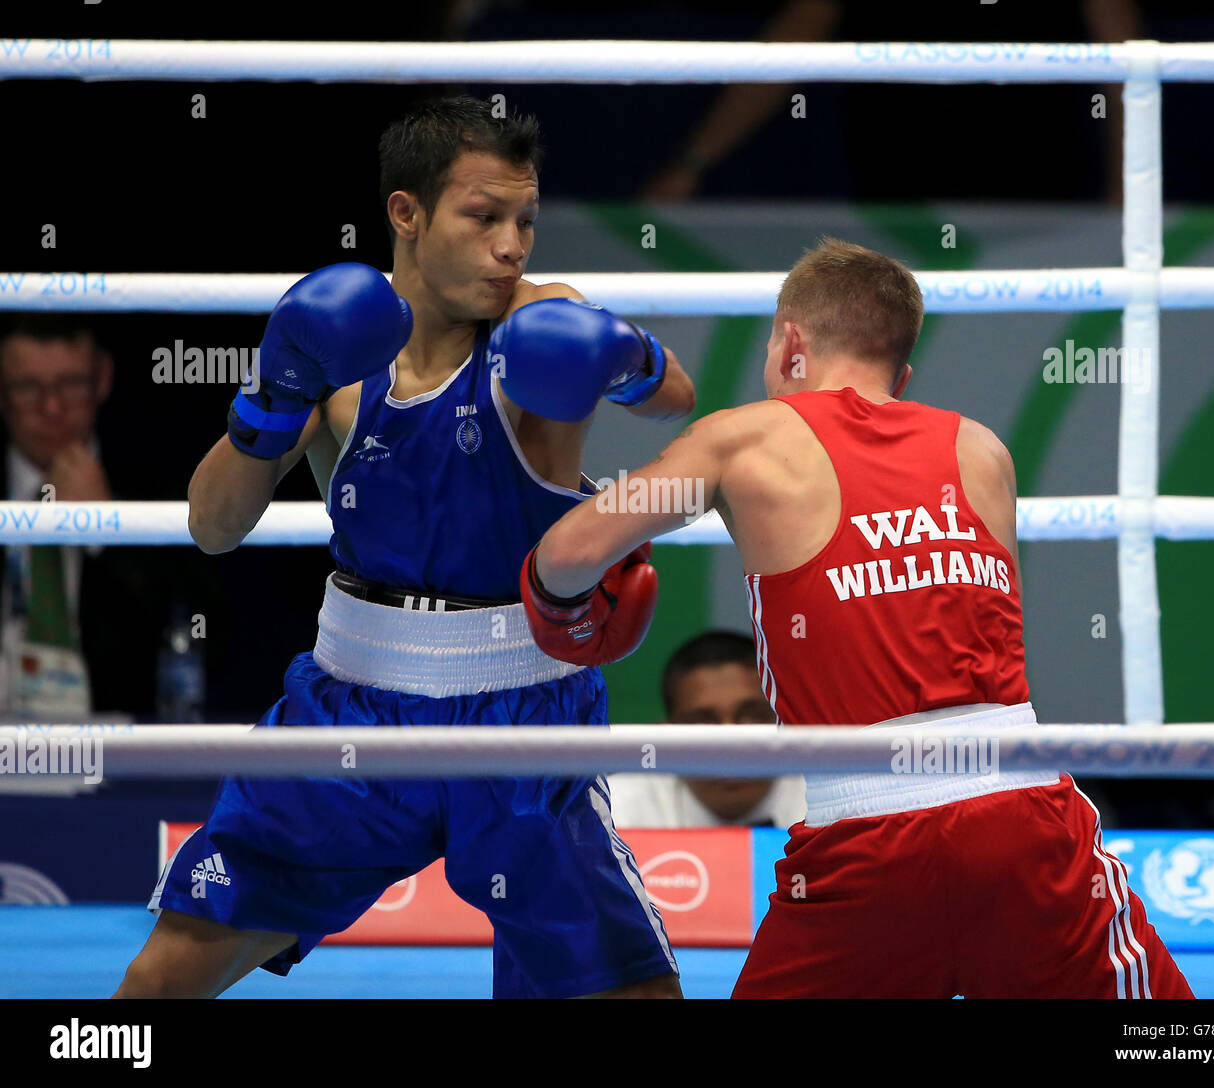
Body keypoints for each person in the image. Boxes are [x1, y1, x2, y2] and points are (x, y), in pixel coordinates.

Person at [114, 95, 694, 999]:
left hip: (520, 722)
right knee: (156, 986)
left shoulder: (541, 324)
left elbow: (677, 399)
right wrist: (271, 400)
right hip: (351, 713)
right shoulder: (333, 352)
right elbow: (212, 528)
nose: (512, 246)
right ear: (406, 214)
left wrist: (626, 358)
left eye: (526, 220)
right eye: (484, 216)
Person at [521, 237, 1193, 998]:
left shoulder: (742, 441)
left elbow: (564, 554)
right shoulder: (982, 450)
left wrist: (565, 608)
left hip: (863, 841)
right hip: (1026, 818)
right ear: (900, 375)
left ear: (791, 343)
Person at [0, 317, 169, 722]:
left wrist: (109, 531)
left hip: (117, 751)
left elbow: (203, 640)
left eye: (71, 384)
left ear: (102, 378)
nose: (52, 408)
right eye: (27, 387)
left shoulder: (157, 489)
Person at [608, 630, 804, 827]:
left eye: (752, 719)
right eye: (702, 724)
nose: (730, 749)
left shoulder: (829, 803)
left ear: (784, 723)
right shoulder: (613, 811)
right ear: (665, 737)